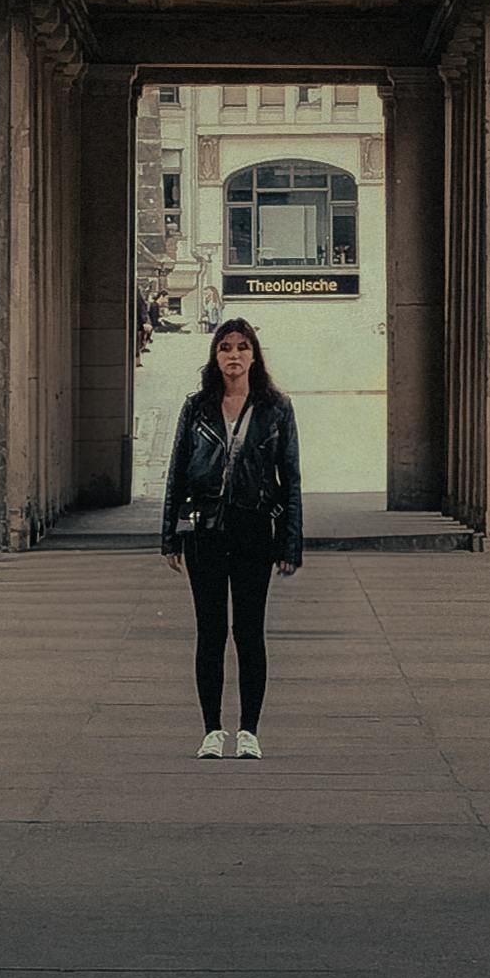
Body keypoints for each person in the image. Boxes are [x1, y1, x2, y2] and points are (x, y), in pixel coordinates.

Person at [160, 316, 302, 757]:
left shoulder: (276, 409)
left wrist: (290, 542)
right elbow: (177, 473)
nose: (234, 355)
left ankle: (249, 732)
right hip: (204, 531)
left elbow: (291, 478)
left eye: (242, 347)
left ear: (254, 355)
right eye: (225, 348)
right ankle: (211, 730)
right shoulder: (196, 407)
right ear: (215, 356)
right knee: (210, 632)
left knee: (249, 631)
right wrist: (169, 535)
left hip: (254, 529)